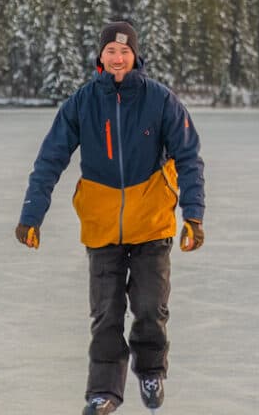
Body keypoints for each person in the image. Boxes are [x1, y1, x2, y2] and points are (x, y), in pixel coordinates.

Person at [16, 20, 205, 415]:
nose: (118, 59)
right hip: (102, 227)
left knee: (151, 307)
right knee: (106, 314)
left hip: (152, 222)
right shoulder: (82, 103)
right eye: (110, 52)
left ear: (136, 56)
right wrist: (32, 215)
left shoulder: (160, 100)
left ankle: (151, 369)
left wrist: (194, 215)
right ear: (100, 57)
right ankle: (103, 394)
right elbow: (51, 158)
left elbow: (188, 156)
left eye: (125, 52)